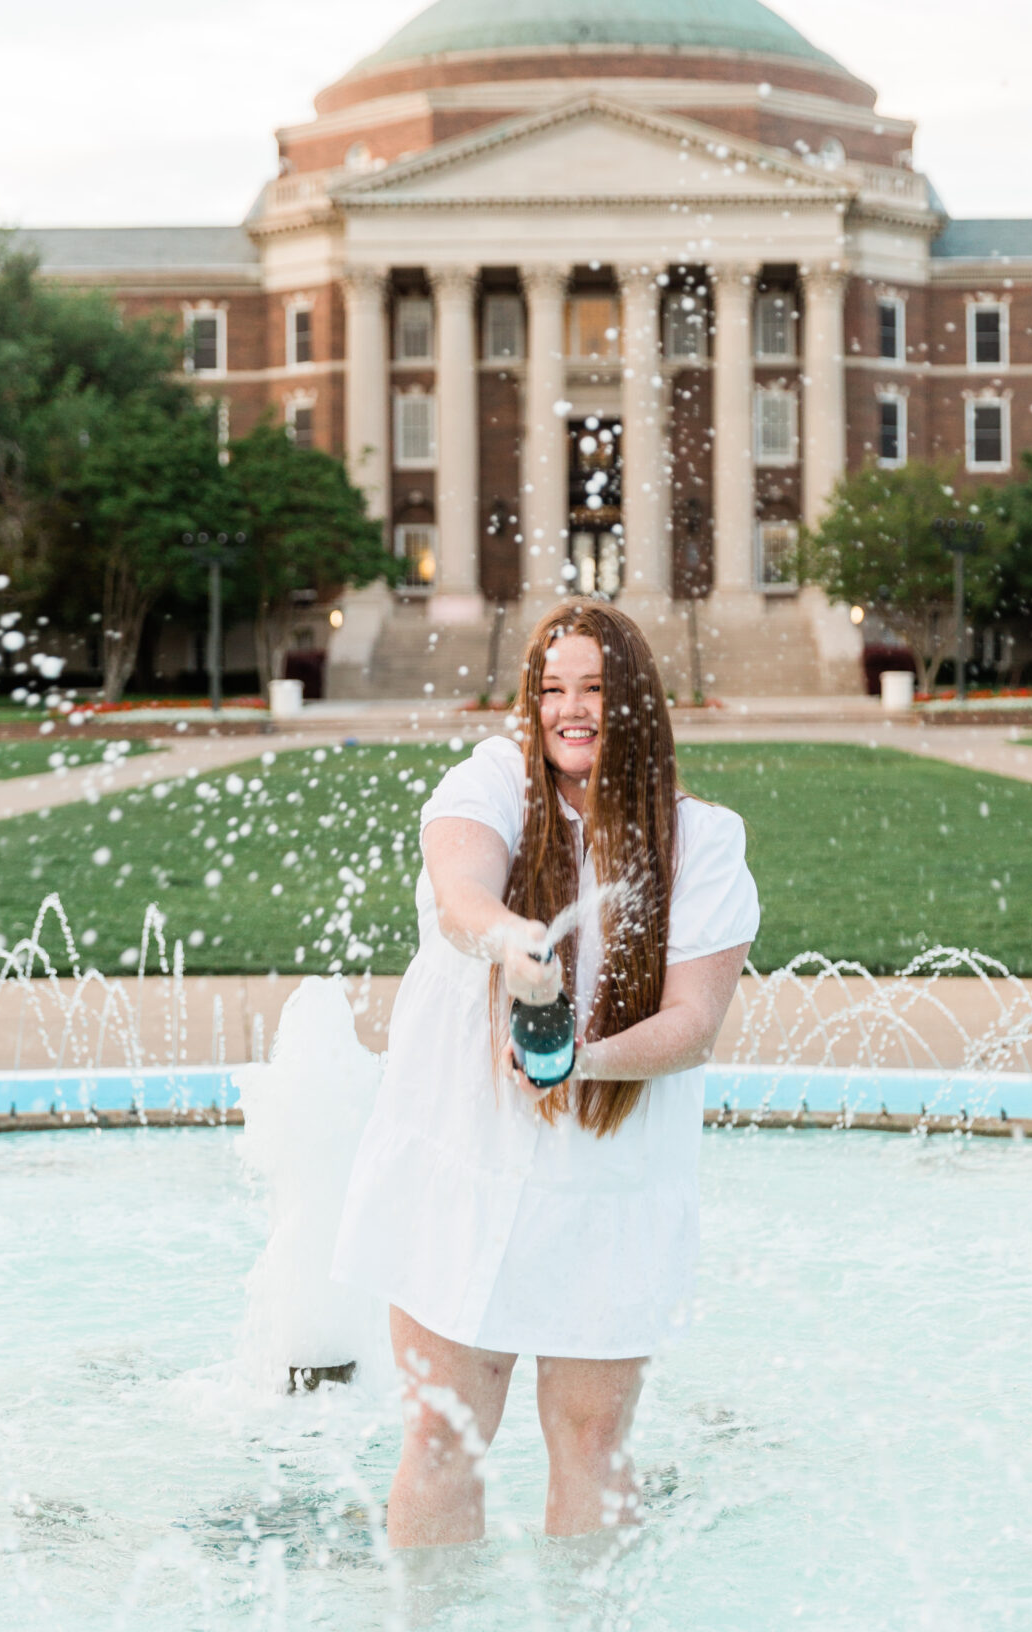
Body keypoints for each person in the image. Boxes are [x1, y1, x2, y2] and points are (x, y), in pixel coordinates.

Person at [331, 600, 759, 1548]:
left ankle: (584, 1613)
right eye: (552, 689)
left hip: (609, 1176)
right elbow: (460, 894)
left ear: (636, 702)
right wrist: (513, 942)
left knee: (592, 1442)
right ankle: (430, 1617)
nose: (571, 709)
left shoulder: (702, 841)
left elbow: (692, 1026)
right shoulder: (492, 780)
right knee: (442, 1438)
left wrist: (578, 1064)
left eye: (595, 688)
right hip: (461, 1155)